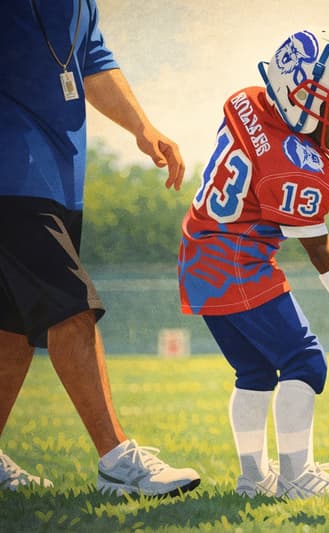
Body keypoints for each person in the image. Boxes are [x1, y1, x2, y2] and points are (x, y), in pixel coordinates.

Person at [178, 29, 329, 500]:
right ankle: (297, 477)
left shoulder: (248, 101)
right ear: (299, 94)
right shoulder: (299, 168)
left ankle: (254, 479)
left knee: (253, 371)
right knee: (305, 362)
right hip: (237, 263)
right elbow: (320, 252)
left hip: (197, 255)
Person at [0, 1, 200, 496]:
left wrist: (142, 128)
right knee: (72, 306)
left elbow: (93, 64)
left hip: (61, 180)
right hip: (10, 176)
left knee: (13, 332)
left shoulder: (80, 5)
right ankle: (116, 462)